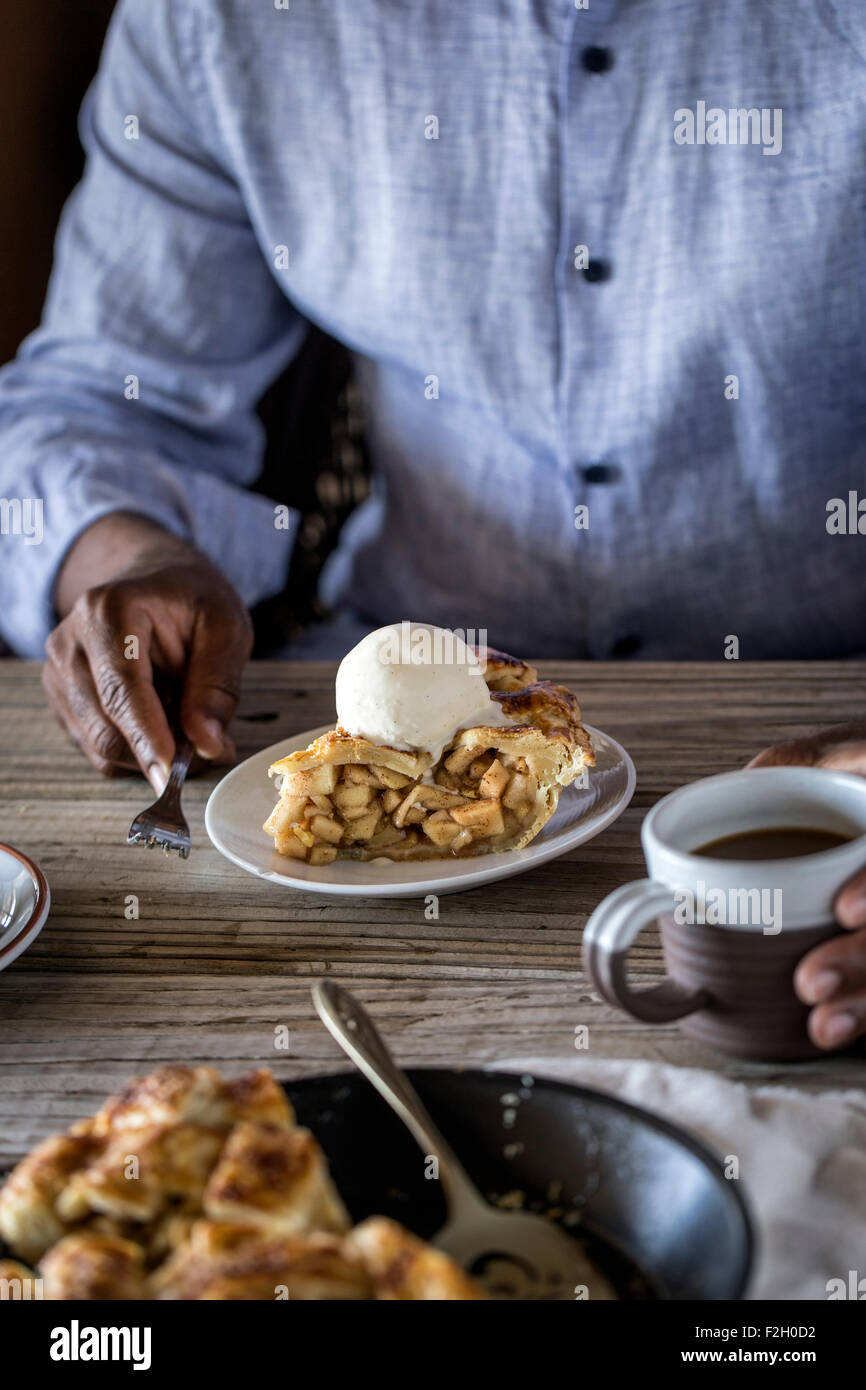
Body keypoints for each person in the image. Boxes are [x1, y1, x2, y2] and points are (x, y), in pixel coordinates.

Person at [0, 2, 864, 1047]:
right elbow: (102, 395)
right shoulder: (224, 22)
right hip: (311, 874)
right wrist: (126, 547)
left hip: (826, 747)